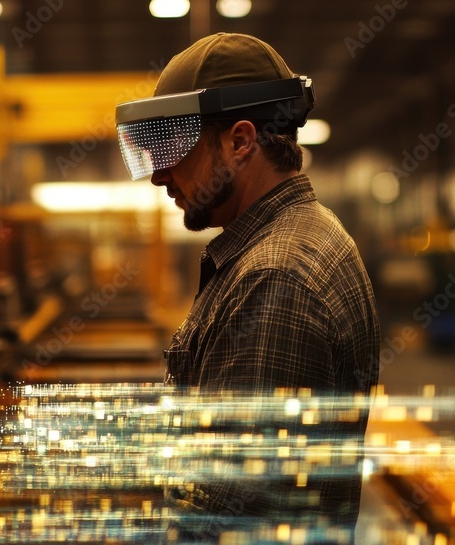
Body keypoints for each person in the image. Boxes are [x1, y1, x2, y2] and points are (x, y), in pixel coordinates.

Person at [116, 33, 380, 541]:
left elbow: (237, 521)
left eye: (173, 146)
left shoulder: (273, 281)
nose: (159, 175)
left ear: (240, 142)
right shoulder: (296, 240)